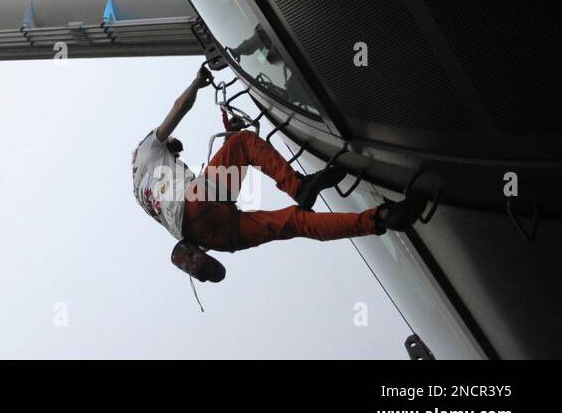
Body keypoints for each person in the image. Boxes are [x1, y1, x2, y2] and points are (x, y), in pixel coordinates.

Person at [131, 65, 426, 282]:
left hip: (211, 236)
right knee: (243, 143)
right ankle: (298, 186)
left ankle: (382, 219)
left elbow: (202, 197)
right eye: (174, 150)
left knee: (295, 224)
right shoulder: (147, 149)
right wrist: (197, 82)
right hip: (198, 201)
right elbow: (179, 108)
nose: (177, 154)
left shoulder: (141, 195)